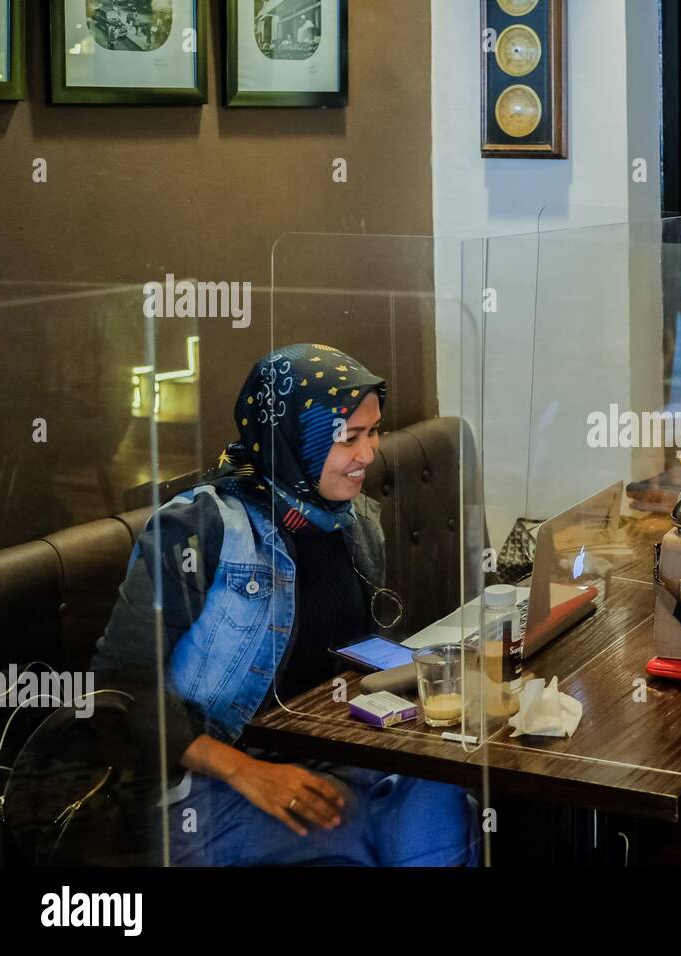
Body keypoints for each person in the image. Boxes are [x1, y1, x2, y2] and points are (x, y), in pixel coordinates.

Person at [92, 344, 478, 866]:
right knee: (383, 841)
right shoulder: (197, 527)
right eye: (349, 437)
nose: (369, 454)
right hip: (215, 787)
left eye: (374, 431)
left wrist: (445, 673)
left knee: (453, 794)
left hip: (337, 753)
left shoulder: (354, 519)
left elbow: (356, 658)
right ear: (298, 437)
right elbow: (119, 689)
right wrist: (248, 773)